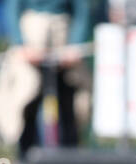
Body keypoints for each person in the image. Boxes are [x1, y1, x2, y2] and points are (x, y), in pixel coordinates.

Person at [8, 0, 91, 153]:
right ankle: (26, 156)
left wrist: (75, 44)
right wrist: (21, 44)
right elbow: (12, 8)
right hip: (32, 41)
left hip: (63, 42)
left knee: (70, 102)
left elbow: (82, 11)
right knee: (26, 101)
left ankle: (69, 157)